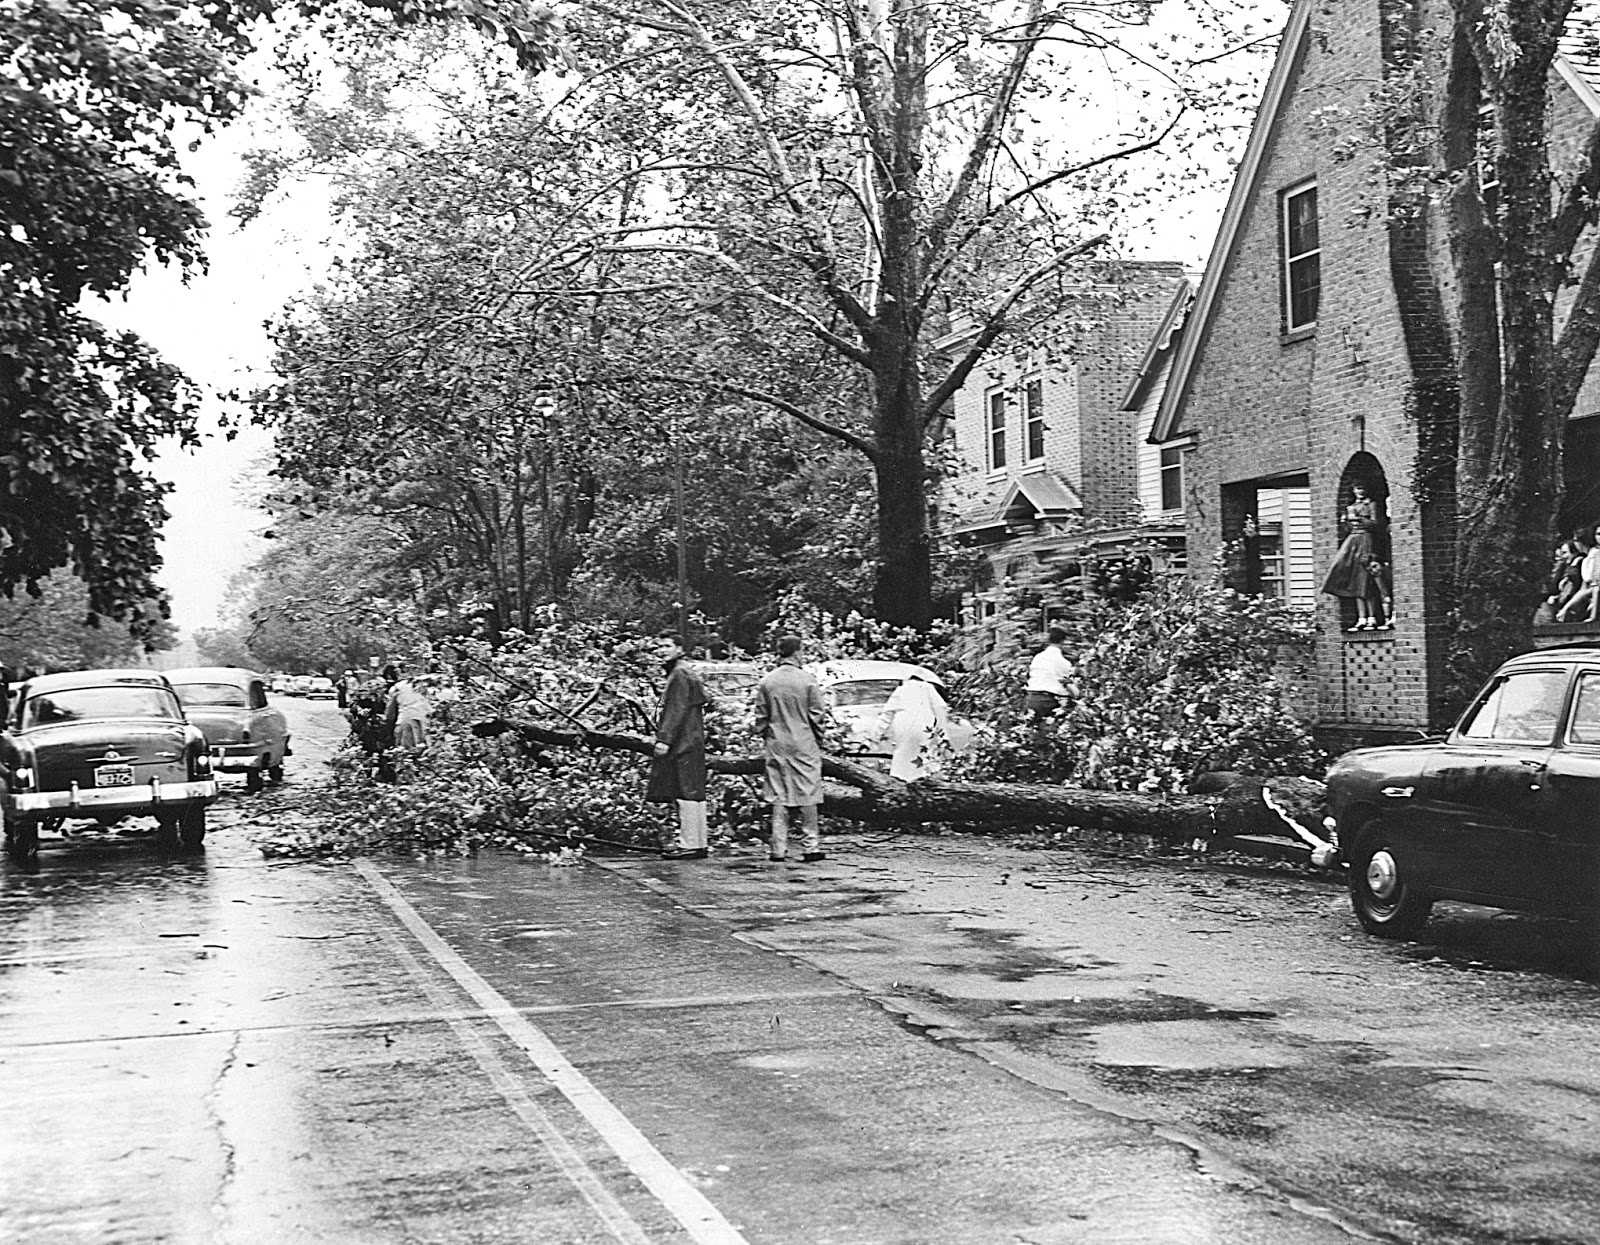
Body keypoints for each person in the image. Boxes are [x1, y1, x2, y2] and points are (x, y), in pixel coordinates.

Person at [753, 634, 829, 863]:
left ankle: (778, 847)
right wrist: (819, 739)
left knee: (778, 794)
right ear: (797, 652)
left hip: (777, 742)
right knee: (808, 792)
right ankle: (810, 845)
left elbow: (760, 717)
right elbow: (817, 715)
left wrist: (766, 734)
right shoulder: (807, 680)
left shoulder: (767, 681)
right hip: (803, 741)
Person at [646, 633, 710, 860]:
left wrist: (664, 739)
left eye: (667, 646)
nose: (661, 650)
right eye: (659, 646)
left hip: (684, 741)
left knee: (686, 791)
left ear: (679, 648)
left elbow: (676, 709)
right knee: (693, 791)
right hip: (692, 739)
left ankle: (689, 844)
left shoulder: (680, 674)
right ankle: (698, 842)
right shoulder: (684, 670)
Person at [1320, 481, 1388, 629]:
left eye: (1362, 488)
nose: (1360, 491)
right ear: (1354, 491)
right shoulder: (1351, 507)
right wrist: (1345, 522)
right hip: (1353, 541)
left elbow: (1376, 524)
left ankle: (1372, 617)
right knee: (1355, 578)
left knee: (1366, 579)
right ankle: (1361, 617)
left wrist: (1360, 519)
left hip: (1366, 539)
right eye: (1358, 489)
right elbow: (1348, 529)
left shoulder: (1371, 505)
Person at [875, 673, 949, 781]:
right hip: (925, 726)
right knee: (923, 754)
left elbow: (886, 714)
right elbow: (941, 708)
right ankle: (921, 780)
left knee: (901, 755)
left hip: (903, 724)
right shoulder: (928, 688)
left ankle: (900, 781)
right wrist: (943, 733)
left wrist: (875, 736)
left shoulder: (901, 690)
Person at [1024, 626, 1072, 722]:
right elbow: (1067, 684)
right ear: (1063, 641)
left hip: (1031, 699)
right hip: (1048, 701)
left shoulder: (1038, 658)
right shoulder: (1063, 662)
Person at [1558, 523, 1600, 622]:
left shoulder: (1596, 555)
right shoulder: (1588, 558)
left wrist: (1592, 616)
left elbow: (1596, 588)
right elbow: (1584, 589)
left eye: (1576, 540)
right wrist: (1565, 608)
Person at [382, 664, 430, 750]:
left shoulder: (398, 687)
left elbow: (390, 705)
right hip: (420, 718)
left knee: (402, 746)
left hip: (407, 717)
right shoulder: (425, 686)